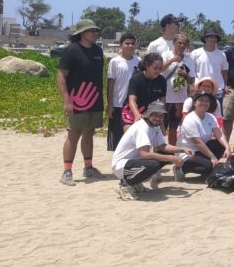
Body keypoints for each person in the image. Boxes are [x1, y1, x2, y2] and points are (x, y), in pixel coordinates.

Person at [57, 18, 105, 186]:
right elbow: (61, 76)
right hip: (76, 101)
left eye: (95, 30)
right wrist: (67, 100)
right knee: (74, 133)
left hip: (95, 100)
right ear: (82, 33)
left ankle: (88, 167)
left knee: (89, 132)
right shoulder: (71, 51)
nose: (95, 33)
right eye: (91, 31)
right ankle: (67, 171)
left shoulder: (98, 51)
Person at [112, 100, 192, 200]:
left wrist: (182, 150)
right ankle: (124, 184)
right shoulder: (142, 127)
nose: (158, 118)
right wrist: (171, 158)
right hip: (121, 165)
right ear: (148, 114)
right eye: (155, 114)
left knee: (163, 156)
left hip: (133, 162)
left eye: (161, 115)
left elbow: (162, 146)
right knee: (153, 164)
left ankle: (135, 183)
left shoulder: (155, 126)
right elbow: (144, 154)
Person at [174, 90, 230, 181]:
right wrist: (213, 157)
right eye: (201, 100)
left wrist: (228, 147)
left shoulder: (210, 116)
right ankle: (181, 168)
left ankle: (208, 166)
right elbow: (198, 142)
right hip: (188, 153)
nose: (204, 103)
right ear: (194, 103)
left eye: (207, 101)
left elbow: (218, 133)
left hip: (201, 150)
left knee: (220, 145)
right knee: (209, 167)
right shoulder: (190, 119)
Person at [106, 32, 139, 150]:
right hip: (118, 103)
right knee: (117, 136)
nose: (130, 46)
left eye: (132, 43)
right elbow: (110, 84)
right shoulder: (115, 62)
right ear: (121, 45)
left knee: (132, 136)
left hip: (133, 105)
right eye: (127, 43)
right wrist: (109, 105)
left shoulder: (139, 61)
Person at [161, 33, 195, 146]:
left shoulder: (189, 59)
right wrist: (172, 60)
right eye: (179, 43)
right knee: (160, 124)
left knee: (174, 125)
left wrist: (185, 75)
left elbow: (191, 81)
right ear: (174, 43)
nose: (182, 46)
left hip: (180, 98)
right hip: (164, 96)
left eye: (184, 44)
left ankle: (172, 148)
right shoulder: (165, 55)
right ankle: (159, 147)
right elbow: (158, 69)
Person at [127, 52, 168, 124]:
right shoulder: (136, 79)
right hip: (131, 111)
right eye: (155, 68)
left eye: (160, 68)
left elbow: (162, 101)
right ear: (147, 66)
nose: (158, 71)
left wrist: (159, 115)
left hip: (149, 113)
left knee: (161, 133)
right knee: (133, 133)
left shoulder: (162, 80)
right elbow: (132, 100)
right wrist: (137, 115)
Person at [192, 29, 228, 96]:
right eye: (210, 37)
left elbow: (225, 73)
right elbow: (191, 73)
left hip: (218, 92)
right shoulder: (195, 53)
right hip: (199, 90)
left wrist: (224, 86)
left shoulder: (222, 54)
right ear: (205, 38)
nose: (213, 39)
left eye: (215, 37)